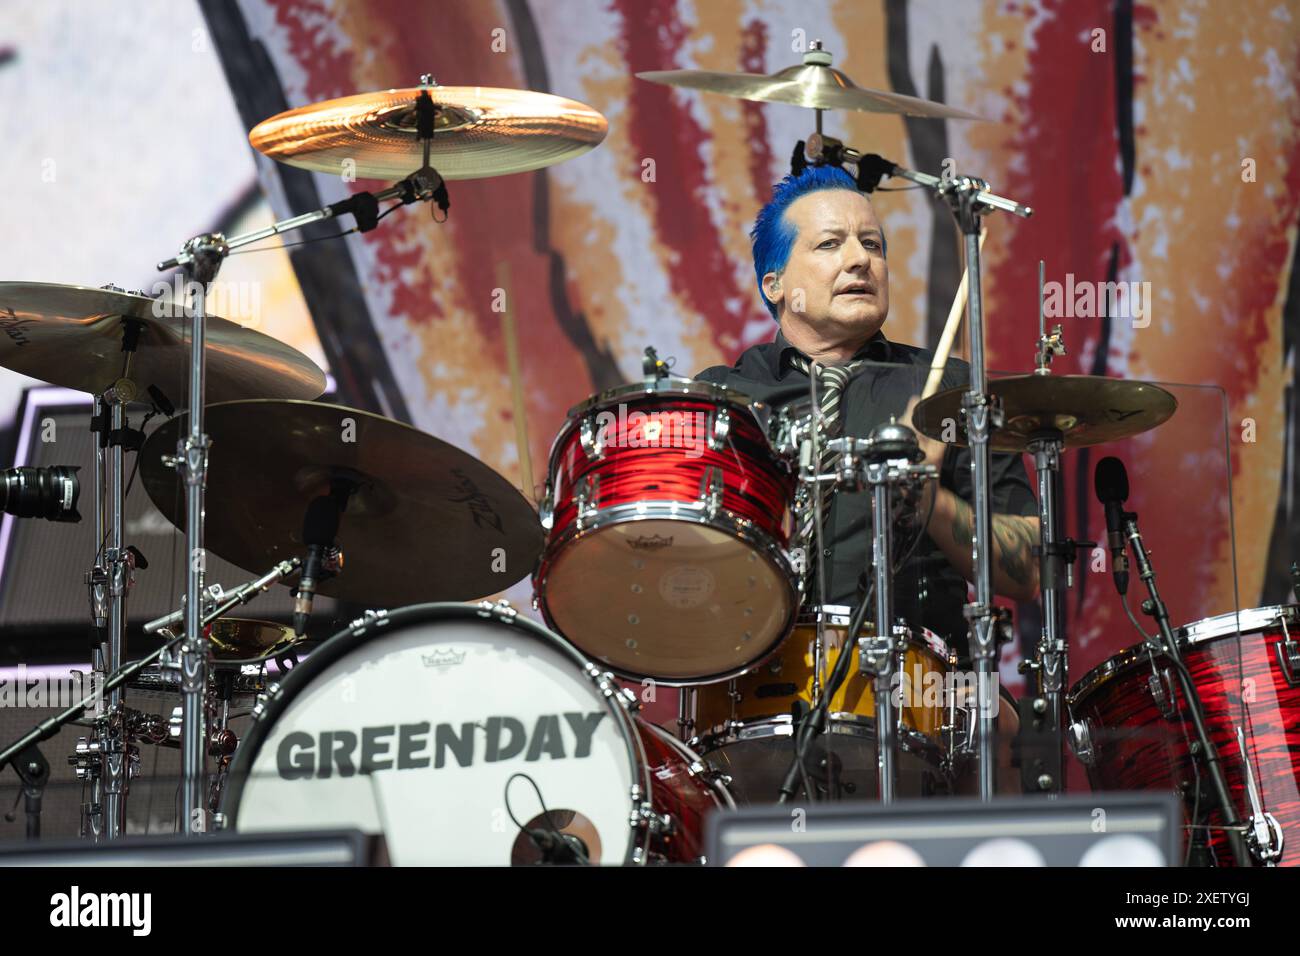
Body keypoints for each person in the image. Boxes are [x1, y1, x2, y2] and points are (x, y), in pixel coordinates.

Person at [695, 165, 1040, 662]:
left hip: (917, 700)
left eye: (873, 245)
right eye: (830, 244)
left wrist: (929, 499)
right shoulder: (725, 397)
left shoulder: (948, 388)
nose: (860, 260)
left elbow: (1027, 569)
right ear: (774, 284)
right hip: (756, 684)